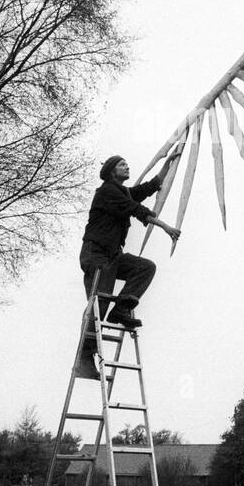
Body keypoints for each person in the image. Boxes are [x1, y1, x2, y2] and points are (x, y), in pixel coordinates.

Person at [75, 153, 181, 379]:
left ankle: (122, 308)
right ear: (112, 171)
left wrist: (168, 163)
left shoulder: (122, 192)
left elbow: (148, 188)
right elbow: (137, 209)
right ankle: (84, 358)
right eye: (122, 164)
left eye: (127, 162)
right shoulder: (107, 192)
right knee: (99, 303)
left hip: (113, 255)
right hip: (96, 254)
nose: (127, 166)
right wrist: (166, 228)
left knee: (145, 268)